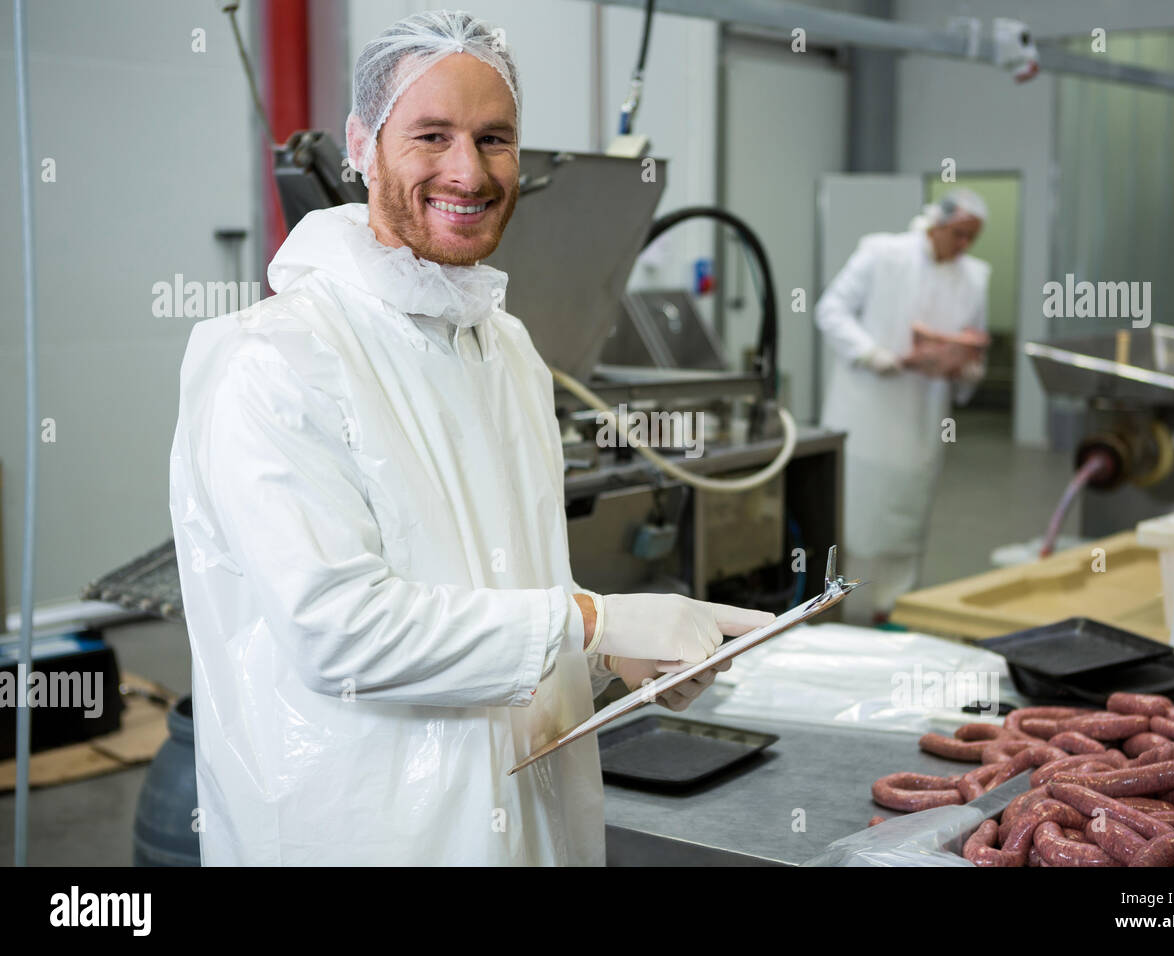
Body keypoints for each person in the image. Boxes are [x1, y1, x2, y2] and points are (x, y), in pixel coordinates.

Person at [168, 10, 772, 866]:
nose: (468, 170)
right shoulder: (271, 357)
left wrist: (613, 662)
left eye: (495, 138)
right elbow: (340, 630)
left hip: (529, 819)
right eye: (431, 135)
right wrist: (599, 624)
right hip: (360, 831)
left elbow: (511, 597)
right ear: (362, 145)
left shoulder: (507, 349)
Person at [815, 189, 991, 622]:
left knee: (906, 519)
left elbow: (975, 344)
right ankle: (826, 608)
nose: (964, 245)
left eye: (973, 238)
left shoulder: (974, 277)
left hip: (921, 418)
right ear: (937, 223)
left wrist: (964, 368)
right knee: (849, 513)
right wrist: (871, 353)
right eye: (958, 234)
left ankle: (890, 608)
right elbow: (830, 309)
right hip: (864, 411)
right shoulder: (882, 254)